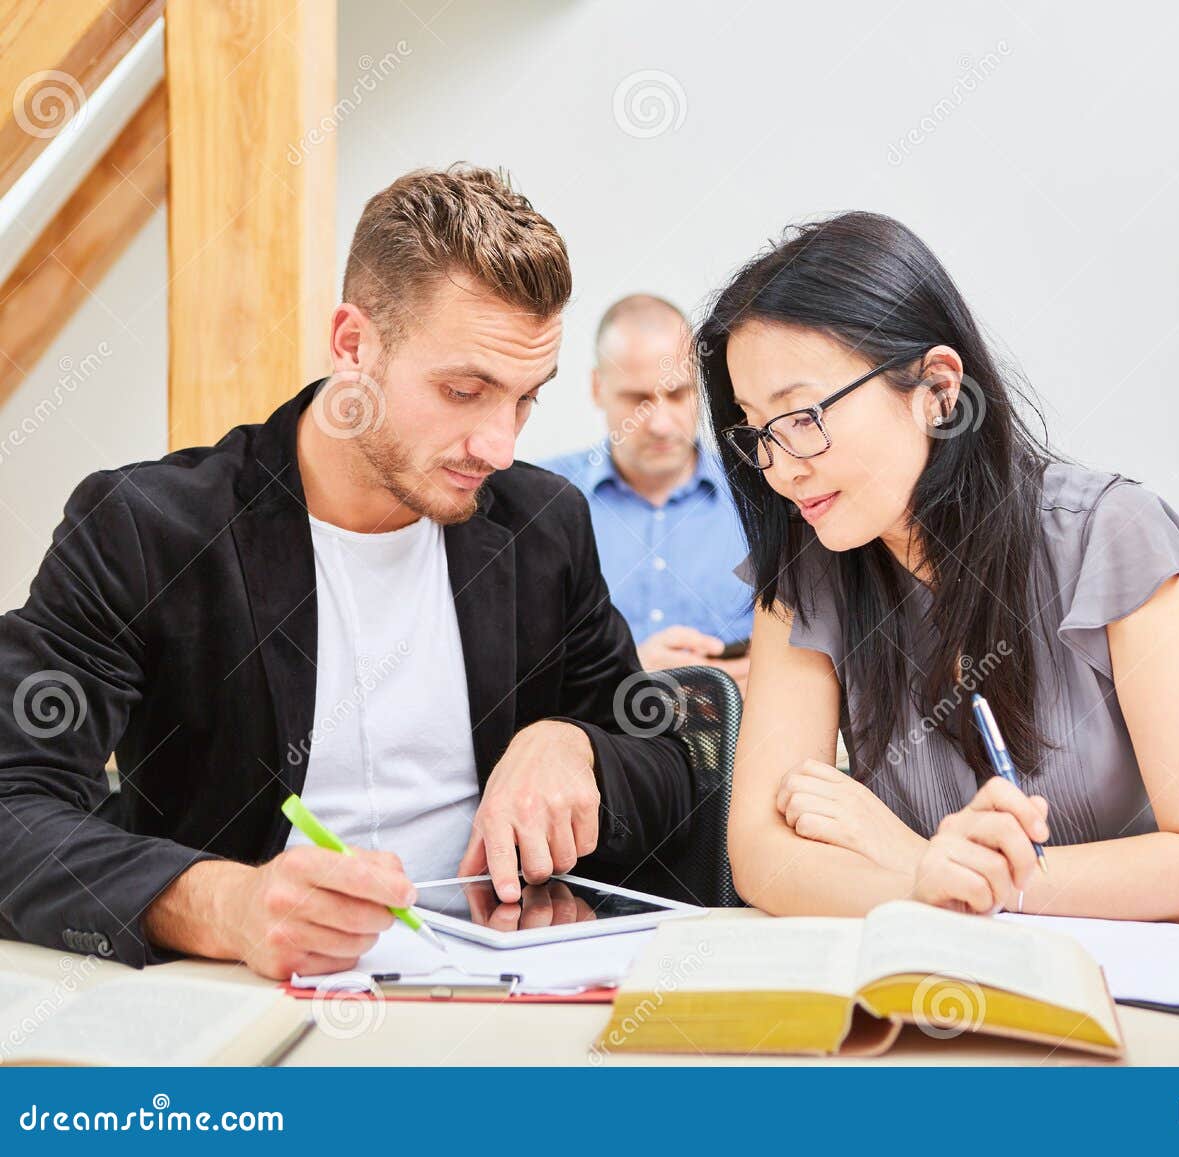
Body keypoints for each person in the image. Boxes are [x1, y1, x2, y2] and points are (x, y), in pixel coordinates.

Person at [0, 166, 692, 979]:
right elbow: (12, 802)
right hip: (238, 994)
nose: (500, 447)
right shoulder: (147, 530)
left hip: (498, 989)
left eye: (525, 399)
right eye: (463, 390)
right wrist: (225, 904)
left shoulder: (544, 525)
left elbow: (666, 763)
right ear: (353, 344)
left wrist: (574, 744)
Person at [702, 211, 1179, 924]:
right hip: (975, 969)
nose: (780, 469)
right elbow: (761, 854)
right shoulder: (808, 575)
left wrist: (933, 867)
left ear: (937, 390)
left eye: (804, 417)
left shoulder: (1107, 534)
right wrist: (924, 885)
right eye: (757, 430)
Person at [541, 295, 750, 690]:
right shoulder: (541, 502)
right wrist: (627, 667)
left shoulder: (760, 492)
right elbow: (519, 665)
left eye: (678, 394)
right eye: (637, 399)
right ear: (598, 388)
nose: (659, 424)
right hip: (598, 726)